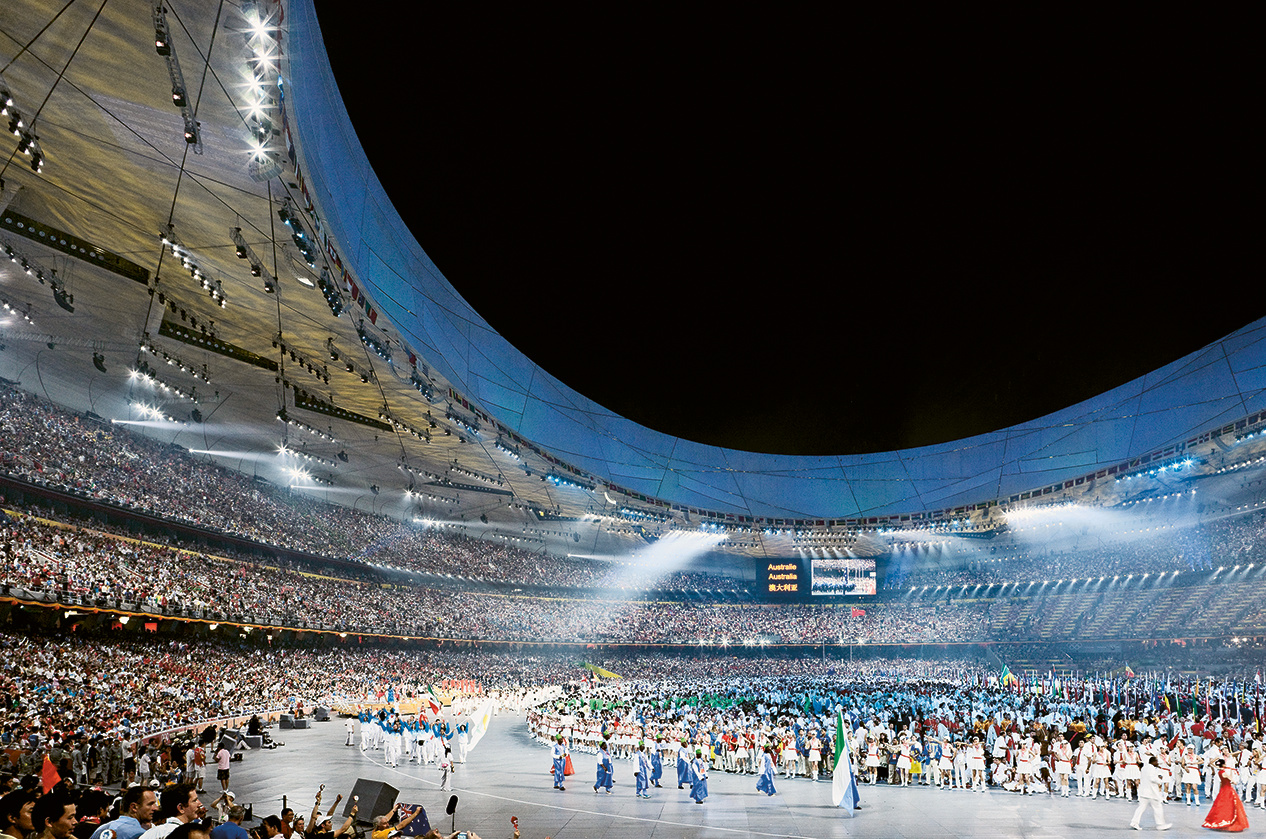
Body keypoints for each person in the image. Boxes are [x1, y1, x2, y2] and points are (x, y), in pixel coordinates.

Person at [89, 786, 158, 839]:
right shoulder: (139, 834)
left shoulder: (101, 829)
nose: (155, 808)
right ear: (134, 807)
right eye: (150, 804)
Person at [1203, 758, 1250, 831]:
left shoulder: (1219, 772)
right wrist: (1233, 779)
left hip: (1222, 790)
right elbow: (1234, 781)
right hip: (1228, 790)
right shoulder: (1225, 773)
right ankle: (1230, 820)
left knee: (1220, 805)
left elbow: (1213, 765)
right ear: (1223, 764)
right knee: (1231, 805)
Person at [1130, 756, 1171, 832]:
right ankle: (1160, 825)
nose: (1157, 763)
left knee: (1141, 807)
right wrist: (1159, 780)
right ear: (1153, 762)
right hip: (1151, 792)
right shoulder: (1151, 768)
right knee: (1158, 807)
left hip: (1144, 791)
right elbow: (1152, 778)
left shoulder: (1144, 768)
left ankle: (1134, 822)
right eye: (1156, 761)